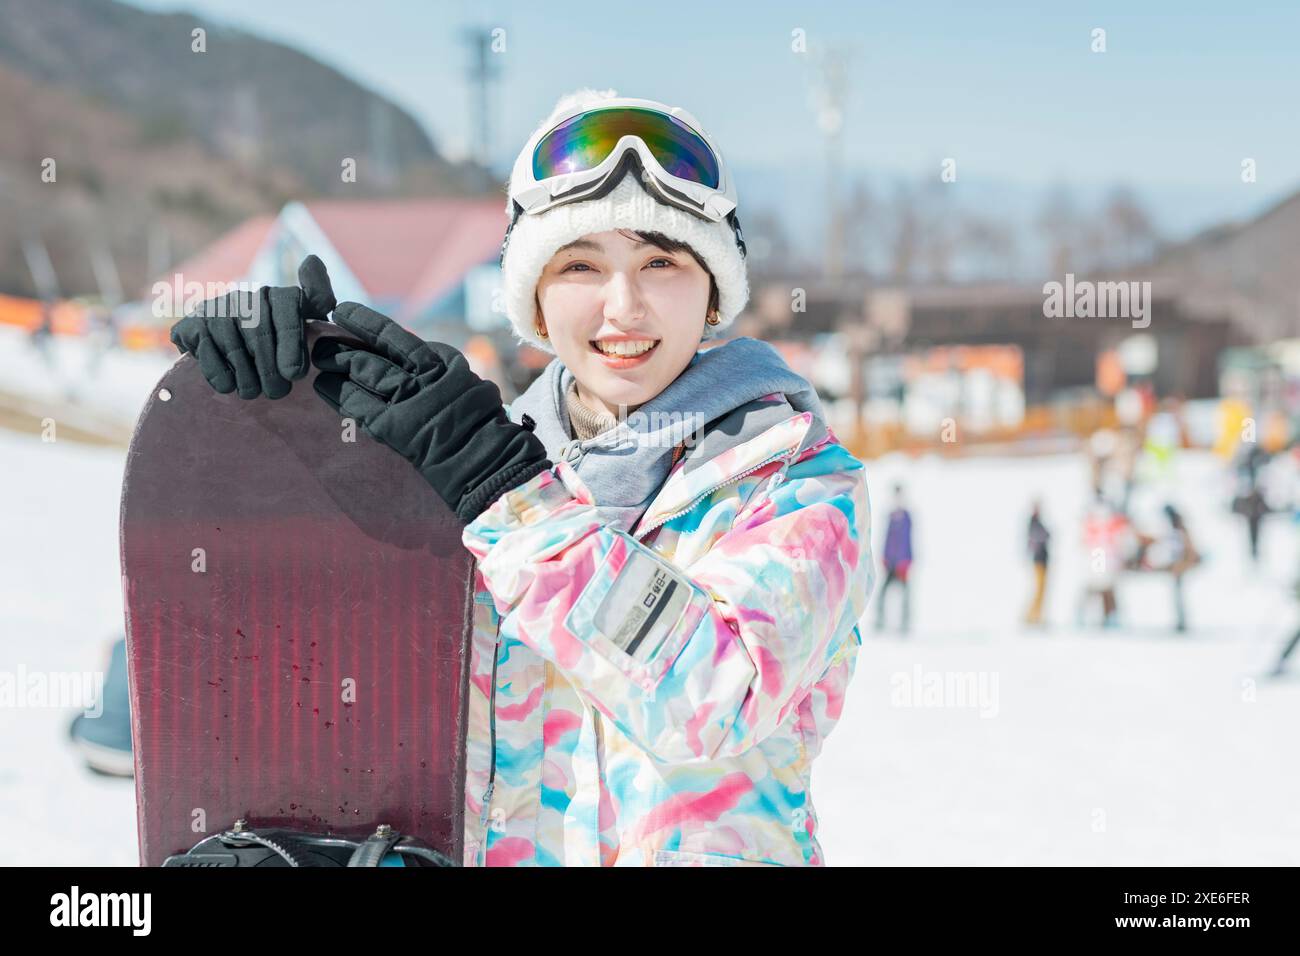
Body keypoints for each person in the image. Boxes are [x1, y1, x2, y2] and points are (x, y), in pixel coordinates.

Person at [169, 89, 874, 867]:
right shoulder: (477, 487)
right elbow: (426, 764)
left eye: (661, 261)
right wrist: (277, 403)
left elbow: (714, 699)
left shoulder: (798, 482)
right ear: (535, 302)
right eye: (580, 265)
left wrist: (507, 494)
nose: (624, 307)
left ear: (713, 292)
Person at [875, 483, 913, 634]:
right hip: (890, 562)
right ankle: (880, 621)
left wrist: (907, 560)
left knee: (905, 595)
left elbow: (908, 540)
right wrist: (884, 556)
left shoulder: (907, 517)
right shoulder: (890, 516)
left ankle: (905, 623)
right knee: (882, 594)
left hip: (902, 563)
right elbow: (887, 538)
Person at [1024, 500, 1051, 628]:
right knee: (1038, 590)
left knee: (1042, 590)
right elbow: (1040, 537)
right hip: (1038, 560)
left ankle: (1036, 615)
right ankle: (1031, 616)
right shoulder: (1033, 522)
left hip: (1043, 560)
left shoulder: (1038, 522)